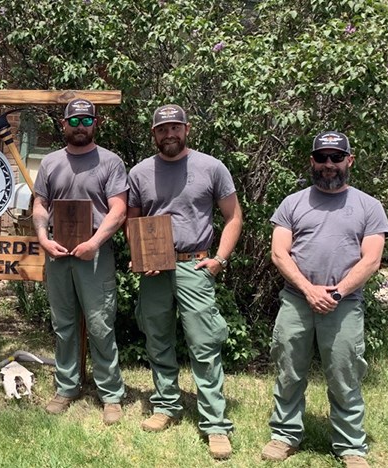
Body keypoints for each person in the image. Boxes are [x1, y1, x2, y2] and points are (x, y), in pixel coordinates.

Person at [261, 131, 388, 468]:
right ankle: (285, 435)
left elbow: (372, 259)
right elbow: (279, 253)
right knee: (289, 371)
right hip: (296, 300)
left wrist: (336, 291)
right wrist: (309, 289)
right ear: (312, 161)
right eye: (322, 157)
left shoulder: (368, 206)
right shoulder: (292, 203)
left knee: (344, 373)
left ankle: (350, 446)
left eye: (336, 157)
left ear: (350, 160)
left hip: (343, 304)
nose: (328, 164)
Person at [127, 104, 242, 460]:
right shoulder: (141, 172)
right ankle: (165, 406)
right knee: (157, 339)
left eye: (175, 127)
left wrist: (219, 260)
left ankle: (215, 424)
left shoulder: (211, 167)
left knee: (204, 344)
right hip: (155, 271)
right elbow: (133, 221)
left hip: (196, 266)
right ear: (154, 135)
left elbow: (234, 216)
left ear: (187, 129)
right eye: (162, 130)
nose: (169, 134)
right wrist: (140, 255)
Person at [32, 98, 129, 426]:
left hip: (95, 254)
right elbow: (40, 205)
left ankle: (111, 394)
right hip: (58, 253)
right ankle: (66, 387)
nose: (80, 127)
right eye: (74, 122)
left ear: (95, 123)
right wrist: (44, 239)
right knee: (63, 324)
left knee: (101, 324)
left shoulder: (110, 162)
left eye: (86, 121)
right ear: (64, 125)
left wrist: (94, 242)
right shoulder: (50, 163)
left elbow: (118, 209)